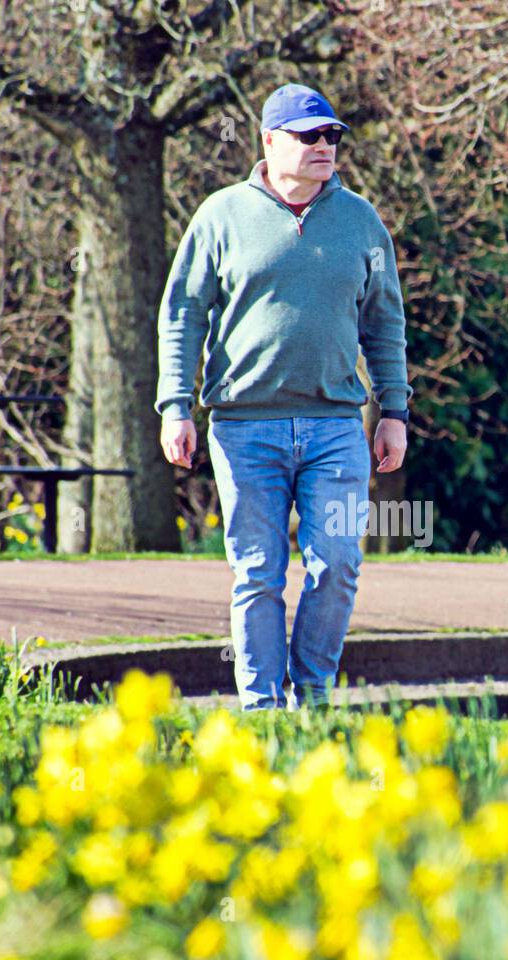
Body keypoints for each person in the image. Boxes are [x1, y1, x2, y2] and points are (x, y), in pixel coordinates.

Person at [156, 83, 411, 710]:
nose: (325, 146)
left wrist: (395, 411)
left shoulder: (361, 221)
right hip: (244, 428)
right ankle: (262, 709)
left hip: (336, 427)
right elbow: (183, 314)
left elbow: (385, 322)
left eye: (332, 136)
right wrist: (175, 404)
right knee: (258, 575)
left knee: (340, 563)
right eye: (310, 136)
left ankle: (314, 697)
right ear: (269, 142)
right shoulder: (220, 216)